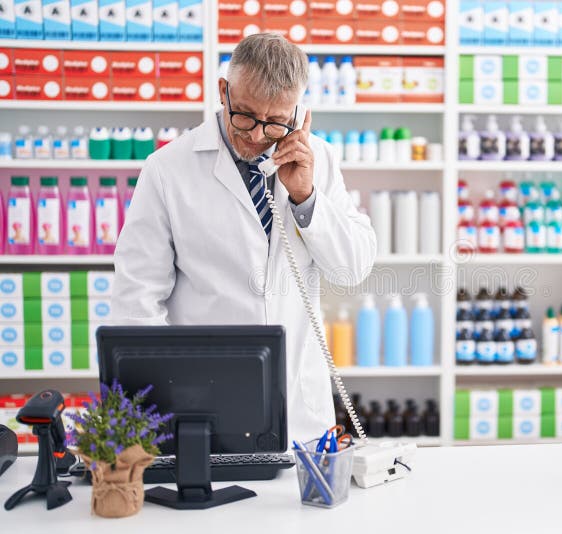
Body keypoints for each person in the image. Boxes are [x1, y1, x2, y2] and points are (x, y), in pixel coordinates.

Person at [111, 33, 376, 441]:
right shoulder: (166, 170)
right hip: (202, 403)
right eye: (246, 116)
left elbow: (352, 269)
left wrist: (306, 196)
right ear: (224, 92)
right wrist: (151, 412)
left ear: (297, 113)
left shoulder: (317, 159)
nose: (256, 136)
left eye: (275, 122)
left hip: (299, 411)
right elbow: (137, 301)